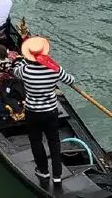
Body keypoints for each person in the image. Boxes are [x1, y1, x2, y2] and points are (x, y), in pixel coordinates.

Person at [13, 36, 75, 187]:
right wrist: (54, 66)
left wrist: (23, 60)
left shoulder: (25, 70)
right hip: (50, 112)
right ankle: (57, 176)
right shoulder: (54, 70)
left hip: (33, 112)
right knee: (54, 143)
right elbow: (71, 80)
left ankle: (43, 171)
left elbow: (15, 71)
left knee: (36, 141)